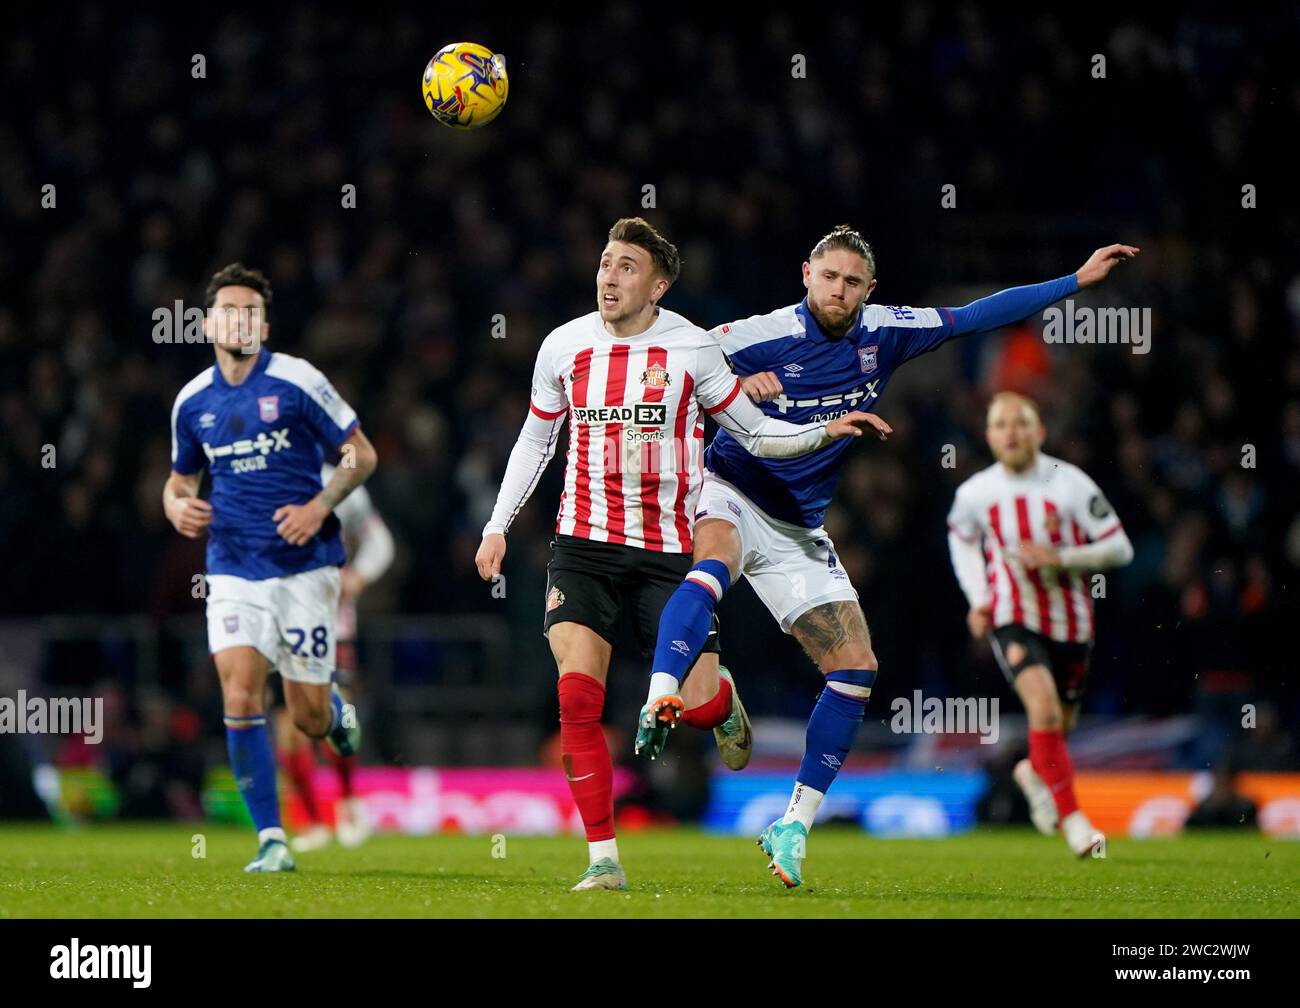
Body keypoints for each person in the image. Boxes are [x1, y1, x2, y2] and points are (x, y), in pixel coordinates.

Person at [639, 225, 1138, 886]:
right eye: (829, 276)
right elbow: (670, 359)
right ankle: (659, 696)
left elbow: (980, 314)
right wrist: (721, 387)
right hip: (731, 488)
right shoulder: (753, 335)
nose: (839, 290)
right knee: (713, 564)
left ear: (869, 290)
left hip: (799, 528)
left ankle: (792, 824)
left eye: (852, 282)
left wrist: (1073, 281)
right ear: (805, 275)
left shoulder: (888, 330)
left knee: (857, 667)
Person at [474, 217, 891, 892]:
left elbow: (755, 436)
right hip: (583, 547)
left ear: (659, 284)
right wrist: (497, 526)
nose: (611, 276)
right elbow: (535, 441)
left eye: (627, 267)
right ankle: (603, 860)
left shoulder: (692, 350)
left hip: (670, 552)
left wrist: (823, 430)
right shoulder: (563, 347)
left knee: (693, 709)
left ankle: (720, 701)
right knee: (579, 695)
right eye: (607, 263)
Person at [164, 263, 377, 872]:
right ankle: (271, 840)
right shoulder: (192, 401)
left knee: (307, 719)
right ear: (207, 323)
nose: (242, 320)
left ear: (263, 322)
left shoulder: (297, 380)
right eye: (231, 310)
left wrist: (317, 506)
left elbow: (361, 454)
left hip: (306, 569)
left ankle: (335, 712)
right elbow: (176, 482)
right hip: (231, 568)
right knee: (239, 692)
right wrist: (176, 508)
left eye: (252, 312)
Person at [948, 391, 1134, 856]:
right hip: (1013, 616)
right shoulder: (974, 494)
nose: (1011, 432)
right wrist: (979, 599)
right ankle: (1076, 825)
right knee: (1044, 711)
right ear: (989, 436)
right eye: (1001, 424)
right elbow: (962, 540)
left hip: (1072, 622)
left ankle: (1034, 771)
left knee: (1060, 724)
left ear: (1039, 432)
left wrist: (1063, 557)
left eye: (1020, 423)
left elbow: (1119, 548)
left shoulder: (1069, 483)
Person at [280, 463, 394, 852]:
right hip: (279, 616)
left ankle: (347, 802)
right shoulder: (266, 475)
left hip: (331, 619)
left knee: (336, 711)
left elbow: (380, 541)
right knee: (289, 724)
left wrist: (359, 577)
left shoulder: (341, 483)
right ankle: (312, 823)